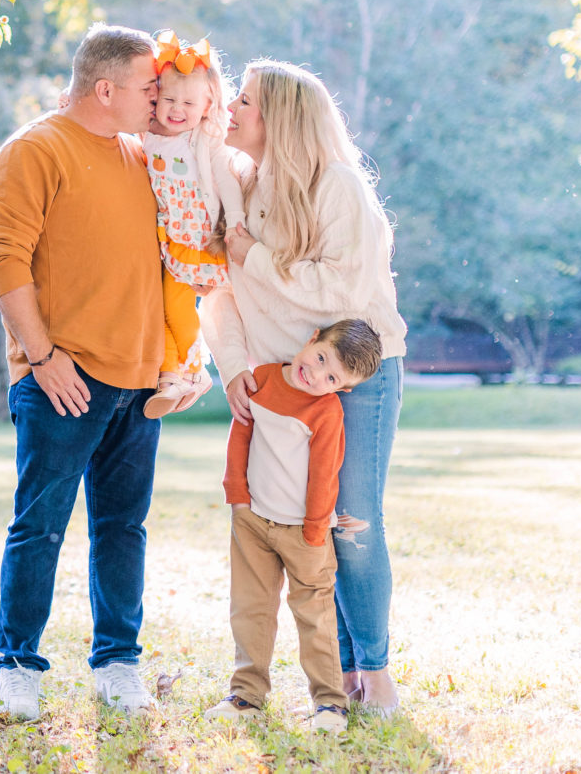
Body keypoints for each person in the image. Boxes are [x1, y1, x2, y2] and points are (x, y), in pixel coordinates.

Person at [0, 23, 202, 721]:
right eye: (146, 87)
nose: (157, 98)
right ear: (105, 89)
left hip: (140, 381)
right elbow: (2, 258)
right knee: (40, 525)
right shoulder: (34, 150)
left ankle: (117, 662)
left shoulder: (143, 157)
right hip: (62, 380)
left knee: (122, 527)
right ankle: (17, 665)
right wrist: (41, 356)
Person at [200, 58, 409, 716]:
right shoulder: (241, 187)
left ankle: (373, 674)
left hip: (355, 375)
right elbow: (220, 289)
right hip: (286, 382)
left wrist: (254, 256)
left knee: (352, 522)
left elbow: (342, 293)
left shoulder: (339, 186)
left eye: (246, 100)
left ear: (282, 119)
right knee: (302, 525)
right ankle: (339, 676)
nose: (232, 108)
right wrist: (234, 366)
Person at [204, 318, 385, 735]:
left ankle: (329, 703)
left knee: (315, 616)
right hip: (252, 521)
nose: (316, 373)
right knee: (250, 608)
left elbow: (326, 473)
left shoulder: (327, 411)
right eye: (320, 357)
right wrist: (238, 498)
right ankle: (246, 695)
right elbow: (241, 433)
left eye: (331, 375)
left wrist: (315, 530)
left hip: (304, 533)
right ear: (311, 339)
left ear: (343, 388)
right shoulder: (264, 379)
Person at [139, 31, 245, 418]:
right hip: (167, 241)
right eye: (168, 99)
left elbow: (227, 180)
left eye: (188, 102)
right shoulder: (145, 133)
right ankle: (177, 375)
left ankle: (193, 369)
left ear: (207, 104)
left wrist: (234, 222)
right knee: (164, 309)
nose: (177, 109)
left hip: (201, 241)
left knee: (186, 311)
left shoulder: (205, 138)